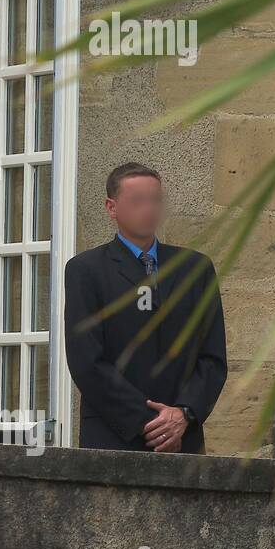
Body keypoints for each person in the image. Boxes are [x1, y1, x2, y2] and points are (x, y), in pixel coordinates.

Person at [63, 162, 227, 453]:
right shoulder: (86, 270)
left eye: (155, 200)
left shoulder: (195, 269)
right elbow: (87, 363)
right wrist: (151, 422)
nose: (149, 209)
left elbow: (212, 358)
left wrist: (183, 414)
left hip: (183, 438)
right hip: (114, 437)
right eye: (138, 201)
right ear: (111, 207)